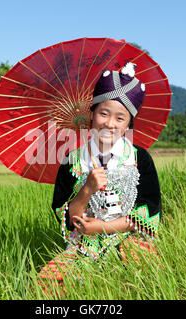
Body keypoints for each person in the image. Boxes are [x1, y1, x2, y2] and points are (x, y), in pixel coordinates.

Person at [38, 62, 162, 294]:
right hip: (85, 242)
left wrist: (104, 227)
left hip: (127, 237)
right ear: (92, 115)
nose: (109, 124)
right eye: (103, 113)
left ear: (128, 125)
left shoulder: (139, 159)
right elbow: (67, 215)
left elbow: (149, 212)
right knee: (48, 284)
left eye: (120, 119)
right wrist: (87, 188)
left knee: (145, 276)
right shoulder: (73, 160)